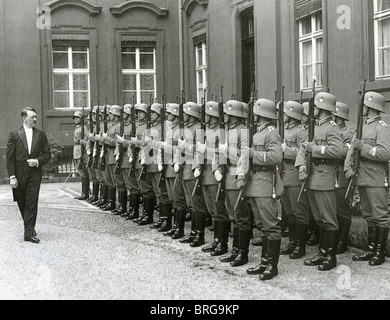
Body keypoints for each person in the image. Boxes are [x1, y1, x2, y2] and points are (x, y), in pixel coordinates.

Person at [296, 92, 344, 271]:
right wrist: (301, 165)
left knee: (328, 218)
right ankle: (322, 252)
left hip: (325, 177)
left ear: (323, 109)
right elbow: (304, 148)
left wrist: (314, 149)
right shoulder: (315, 127)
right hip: (313, 176)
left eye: (315, 107)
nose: (313, 110)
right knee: (318, 218)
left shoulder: (331, 127)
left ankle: (330, 256)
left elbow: (339, 151)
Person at [240, 98, 283, 281]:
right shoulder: (258, 132)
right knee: (263, 226)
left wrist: (252, 154)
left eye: (257, 113)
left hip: (266, 183)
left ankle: (272, 266)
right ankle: (265, 262)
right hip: (255, 183)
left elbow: (275, 157)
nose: (254, 117)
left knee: (271, 226)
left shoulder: (271, 133)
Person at [345, 91, 390, 266]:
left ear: (370, 107)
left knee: (380, 215)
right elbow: (352, 150)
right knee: (368, 215)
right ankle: (370, 249)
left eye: (364, 105)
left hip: (376, 178)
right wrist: (348, 166)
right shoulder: (363, 126)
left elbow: (385, 154)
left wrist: (363, 147)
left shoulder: (381, 126)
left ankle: (379, 252)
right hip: (362, 177)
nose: (362, 107)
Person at [6, 107, 51, 244]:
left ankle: (28, 232)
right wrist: (12, 176)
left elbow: (47, 154)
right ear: (24, 118)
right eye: (32, 117)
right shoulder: (14, 134)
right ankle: (29, 226)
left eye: (36, 117)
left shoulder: (41, 135)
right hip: (19, 173)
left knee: (32, 201)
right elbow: (10, 157)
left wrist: (37, 161)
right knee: (22, 201)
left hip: (34, 173)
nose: (35, 119)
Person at [217, 100, 250, 267]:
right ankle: (235, 250)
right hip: (227, 175)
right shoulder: (227, 130)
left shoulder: (243, 131)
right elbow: (220, 152)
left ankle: (242, 253)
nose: (225, 116)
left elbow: (244, 156)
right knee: (232, 215)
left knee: (240, 216)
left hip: (237, 174)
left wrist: (226, 151)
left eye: (228, 113)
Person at [197, 100, 230, 256]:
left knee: (219, 210)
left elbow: (221, 153)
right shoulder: (206, 130)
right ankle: (216, 241)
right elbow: (199, 152)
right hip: (205, 174)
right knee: (212, 210)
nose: (207, 118)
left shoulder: (222, 132)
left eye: (210, 115)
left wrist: (206, 150)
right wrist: (197, 166)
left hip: (216, 174)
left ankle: (222, 243)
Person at [279, 101, 309, 259]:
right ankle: (292, 242)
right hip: (284, 176)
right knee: (289, 212)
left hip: (296, 177)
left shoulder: (301, 132)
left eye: (284, 113)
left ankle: (300, 246)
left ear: (291, 115)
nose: (282, 116)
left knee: (299, 212)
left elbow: (303, 152)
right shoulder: (283, 130)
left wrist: (286, 150)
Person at [332, 102, 354, 254]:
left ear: (338, 116)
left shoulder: (348, 134)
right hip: (330, 173)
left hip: (341, 173)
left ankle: (342, 240)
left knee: (342, 208)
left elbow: (345, 153)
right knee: (330, 208)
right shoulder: (331, 131)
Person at [72, 110, 90, 200]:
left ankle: (85, 193)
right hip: (76, 151)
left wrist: (84, 148)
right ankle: (84, 192)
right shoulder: (77, 128)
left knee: (84, 174)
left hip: (81, 152)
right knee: (81, 173)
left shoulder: (84, 128)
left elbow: (87, 141)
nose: (76, 119)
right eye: (75, 118)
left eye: (77, 118)